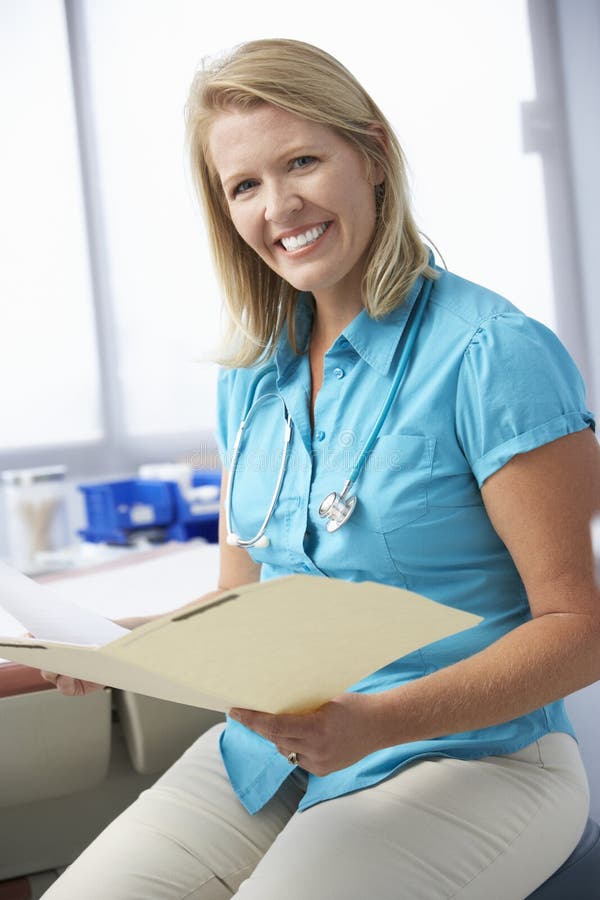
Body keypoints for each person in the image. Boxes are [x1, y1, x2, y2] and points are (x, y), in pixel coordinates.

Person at [41, 38, 600, 900]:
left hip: (473, 756)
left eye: (302, 161)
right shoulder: (251, 378)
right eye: (245, 185)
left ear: (372, 154)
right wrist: (122, 653)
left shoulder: (494, 355)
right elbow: (241, 608)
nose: (281, 205)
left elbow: (579, 627)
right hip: (271, 754)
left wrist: (376, 722)